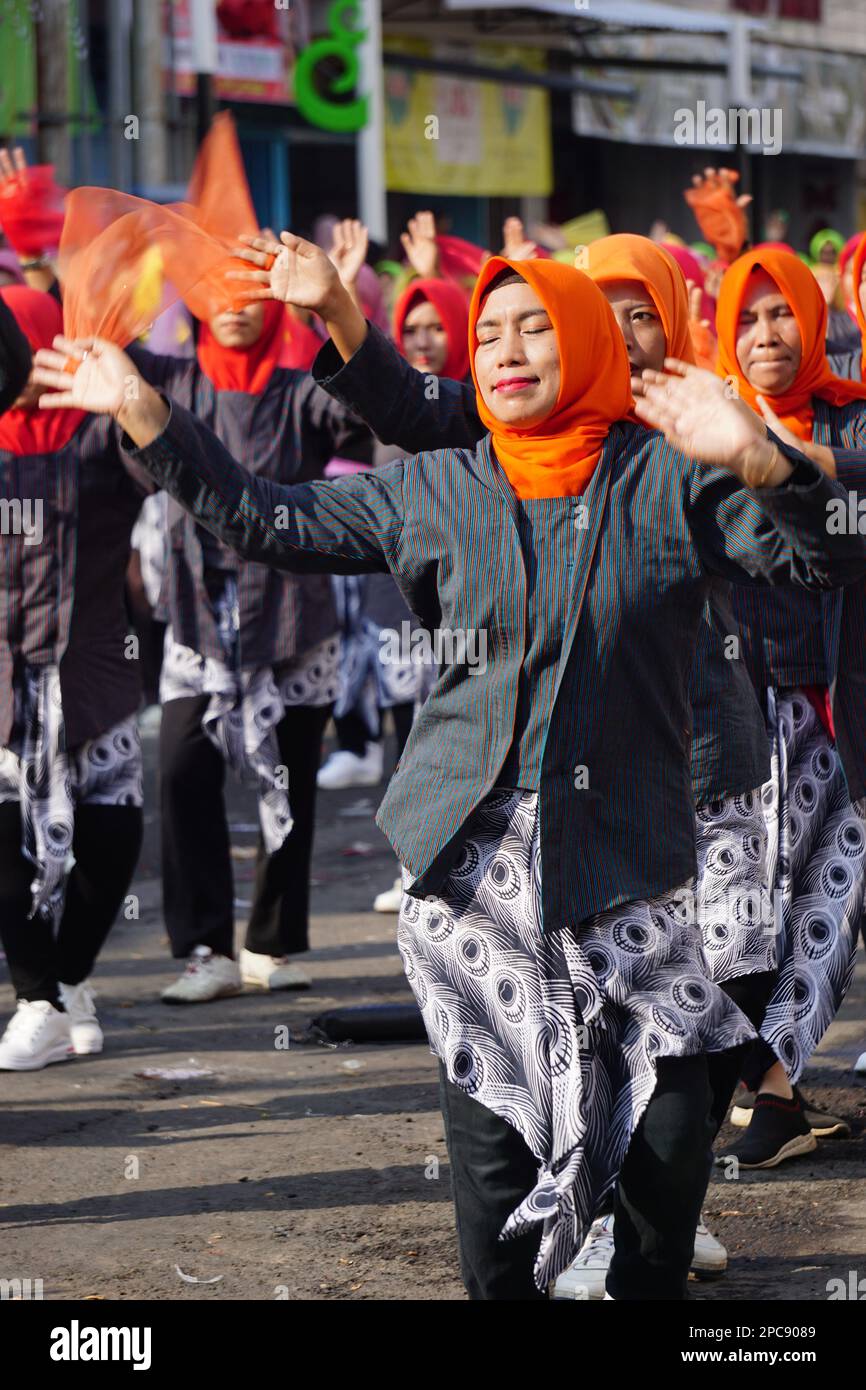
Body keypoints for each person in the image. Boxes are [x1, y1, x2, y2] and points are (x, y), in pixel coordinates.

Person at [33, 246, 866, 1301]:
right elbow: (264, 516)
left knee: (662, 1170)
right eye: (486, 333)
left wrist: (764, 459)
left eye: (534, 327)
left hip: (635, 876)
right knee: (491, 1201)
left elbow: (830, 554)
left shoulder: (664, 476)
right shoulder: (436, 486)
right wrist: (148, 413)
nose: (504, 351)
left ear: (589, 342)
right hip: (477, 894)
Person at [126, 283, 373, 1003]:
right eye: (217, 294)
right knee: (180, 775)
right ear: (199, 305)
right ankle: (205, 949)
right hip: (200, 620)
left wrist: (339, 305)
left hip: (294, 616)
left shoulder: (302, 391)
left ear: (271, 307)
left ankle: (270, 941)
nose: (234, 307)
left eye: (248, 294)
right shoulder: (171, 381)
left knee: (288, 780)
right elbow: (103, 361)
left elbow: (368, 406)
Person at [708, 247, 866, 1167]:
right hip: (735, 699)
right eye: (749, 317)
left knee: (828, 895)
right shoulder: (706, 421)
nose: (767, 334)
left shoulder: (849, 415)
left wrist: (811, 459)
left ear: (817, 319)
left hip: (840, 701)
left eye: (783, 315)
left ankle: (773, 1094)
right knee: (740, 901)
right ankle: (762, 1085)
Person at [0, 286, 146, 1069]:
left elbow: (170, 460)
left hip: (95, 669)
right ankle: (36, 999)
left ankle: (74, 974)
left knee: (114, 835)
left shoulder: (98, 436)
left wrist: (127, 388)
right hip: (2, 679)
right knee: (2, 842)